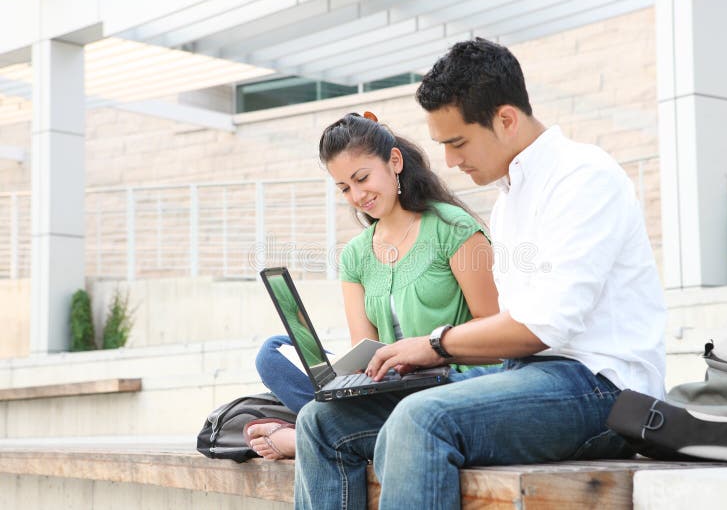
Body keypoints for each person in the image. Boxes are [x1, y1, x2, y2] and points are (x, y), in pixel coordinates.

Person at [293, 38, 667, 509]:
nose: (449, 160)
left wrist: (433, 345)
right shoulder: (511, 197)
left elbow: (544, 325)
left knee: (419, 419)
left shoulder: (584, 176)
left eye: (457, 142)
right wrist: (426, 362)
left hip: (602, 391)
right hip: (529, 377)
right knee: (320, 423)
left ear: (506, 119)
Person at [246, 111, 499, 460]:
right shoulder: (356, 255)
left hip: (454, 379)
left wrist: (428, 349)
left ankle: (308, 435)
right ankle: (341, 426)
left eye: (362, 178)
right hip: (391, 384)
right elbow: (363, 349)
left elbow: (496, 334)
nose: (357, 195)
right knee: (273, 352)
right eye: (345, 188)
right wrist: (360, 375)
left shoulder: (452, 229)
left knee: (337, 417)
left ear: (394, 162)